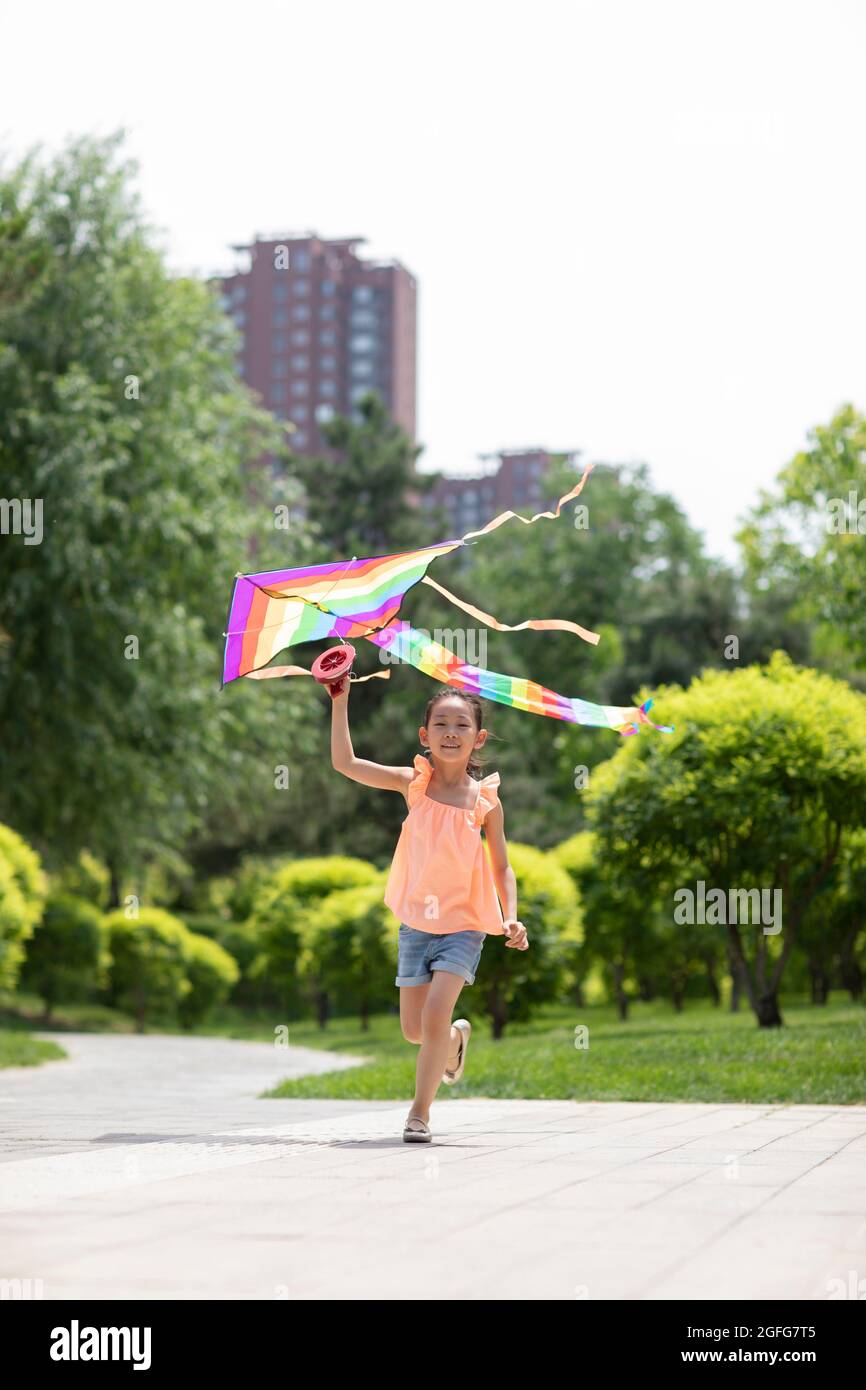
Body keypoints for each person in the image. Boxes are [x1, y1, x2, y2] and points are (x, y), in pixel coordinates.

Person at [330, 674, 528, 1143]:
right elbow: (345, 762)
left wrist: (511, 915)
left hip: (465, 923)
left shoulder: (486, 800)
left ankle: (419, 1114)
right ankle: (455, 1043)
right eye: (440, 724)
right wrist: (341, 700)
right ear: (425, 736)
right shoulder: (413, 785)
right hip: (417, 922)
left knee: (434, 1016)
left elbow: (502, 866)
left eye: (461, 725)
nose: (450, 732)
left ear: (477, 737)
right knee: (416, 1031)